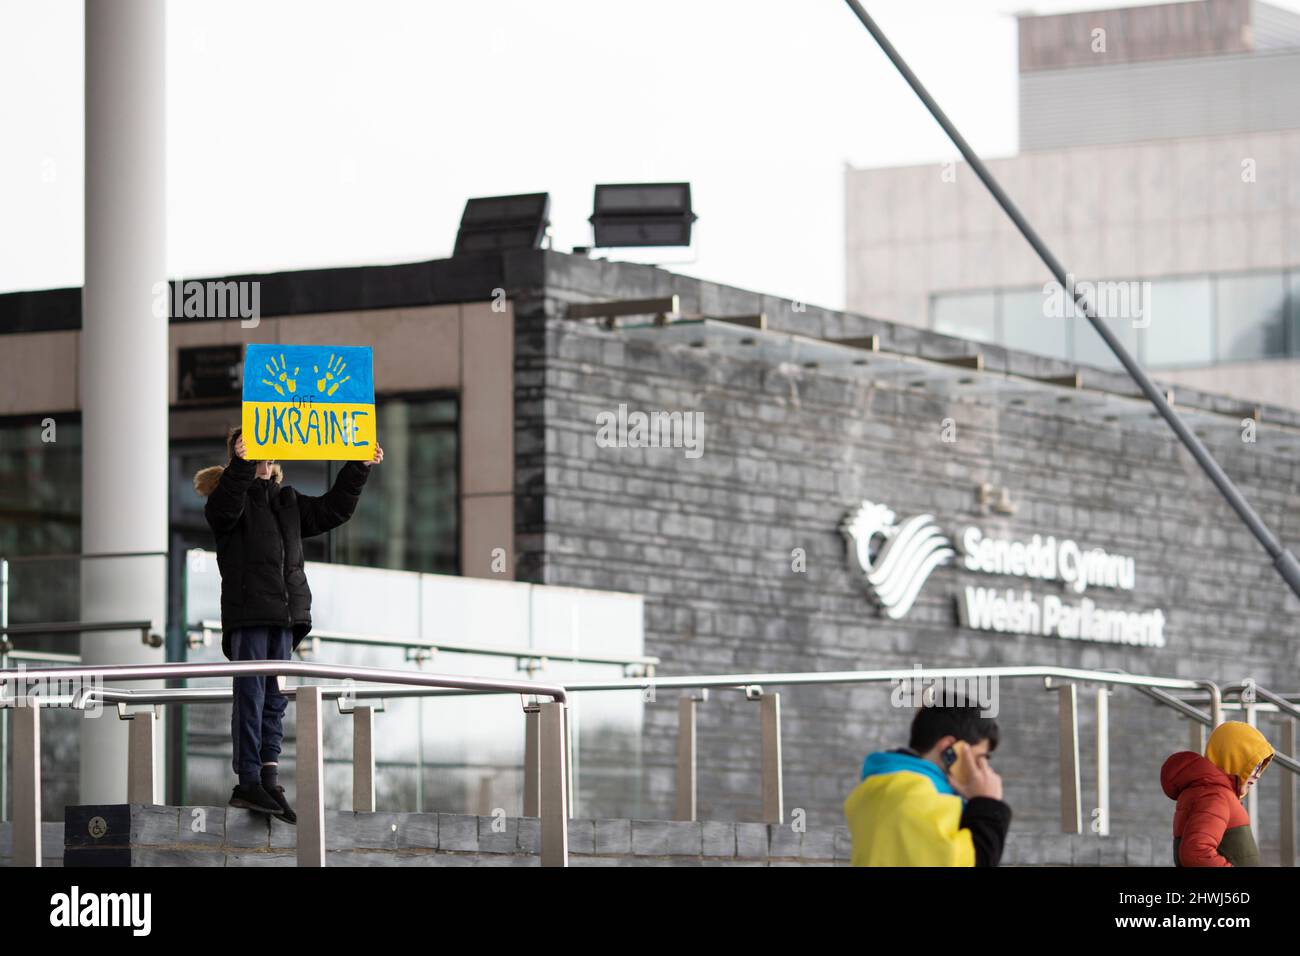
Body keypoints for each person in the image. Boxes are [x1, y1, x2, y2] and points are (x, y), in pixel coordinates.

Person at [193, 426, 383, 823]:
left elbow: (334, 509)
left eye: (267, 451)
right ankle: (247, 781)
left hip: (285, 617)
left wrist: (358, 467)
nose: (265, 458)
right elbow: (224, 510)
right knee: (251, 696)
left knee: (274, 701)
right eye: (253, 451)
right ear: (237, 455)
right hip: (249, 615)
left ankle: (268, 778)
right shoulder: (228, 498)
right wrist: (243, 465)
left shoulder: (288, 502)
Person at [844, 701, 1012, 866]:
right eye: (979, 758)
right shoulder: (921, 795)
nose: (982, 769)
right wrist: (988, 804)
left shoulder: (874, 789)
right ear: (950, 747)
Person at [1160, 720, 1273, 866]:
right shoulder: (1215, 795)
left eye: (1260, 767)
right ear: (1234, 758)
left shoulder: (1210, 791)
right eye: (1254, 765)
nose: (1258, 775)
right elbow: (1195, 852)